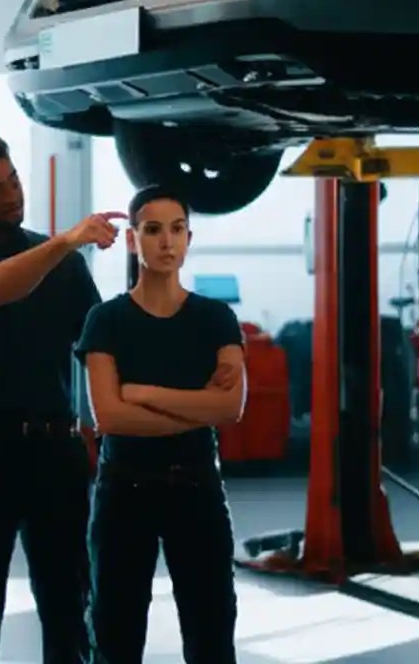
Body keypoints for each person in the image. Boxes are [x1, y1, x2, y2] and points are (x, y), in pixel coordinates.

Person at [0, 131, 123, 663]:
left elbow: (99, 347)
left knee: (68, 601)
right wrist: (64, 243)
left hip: (56, 450)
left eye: (12, 180)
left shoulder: (65, 263)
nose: (11, 195)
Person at [73, 185, 247, 664]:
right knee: (115, 632)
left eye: (177, 230)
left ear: (189, 238)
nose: (166, 242)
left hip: (197, 487)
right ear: (133, 240)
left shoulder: (215, 319)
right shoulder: (105, 320)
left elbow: (230, 407)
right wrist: (195, 405)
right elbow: (111, 417)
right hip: (124, 491)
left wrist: (145, 394)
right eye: (153, 230)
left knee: (211, 631)